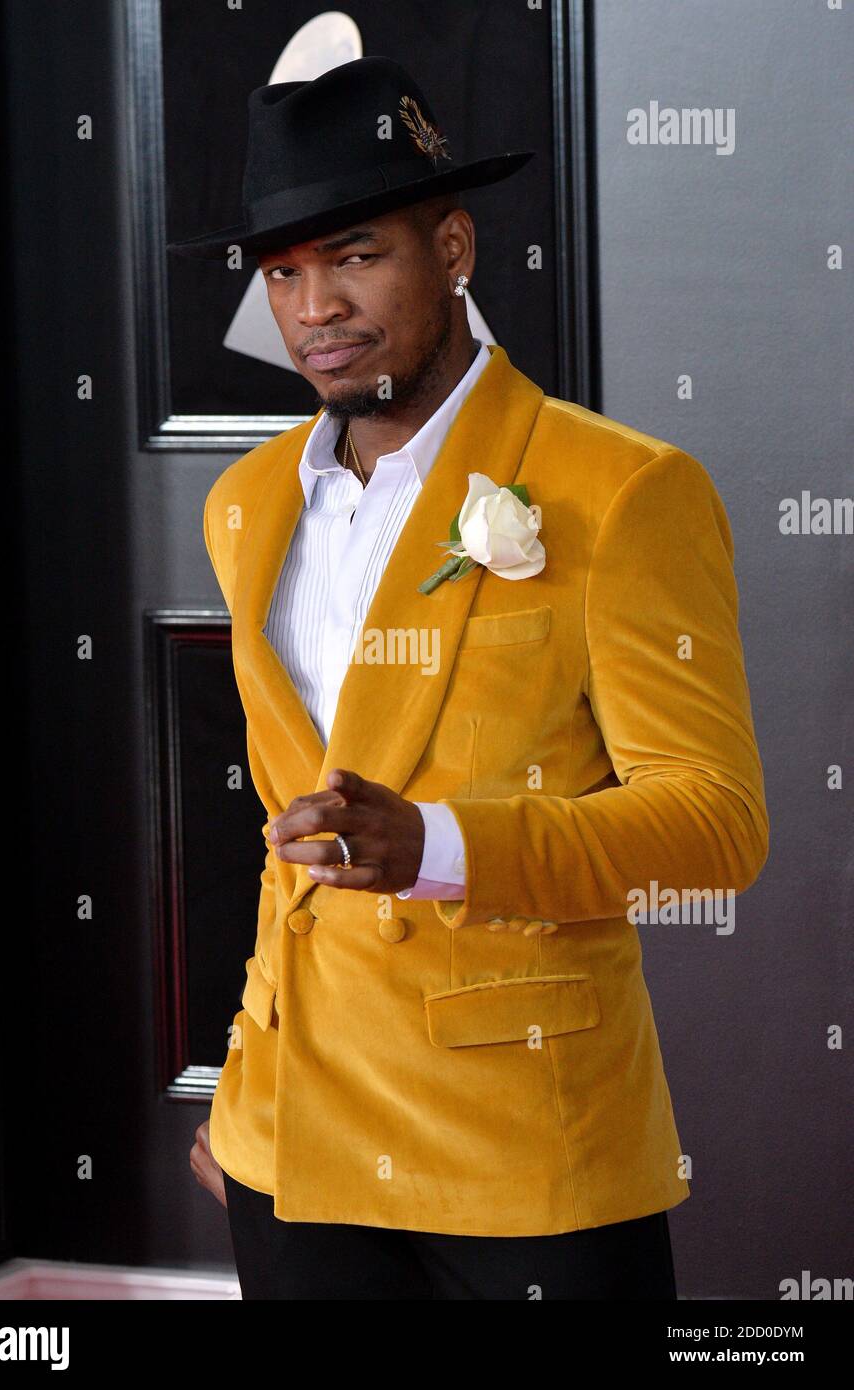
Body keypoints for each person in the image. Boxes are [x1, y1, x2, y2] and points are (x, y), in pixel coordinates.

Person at [172, 56, 768, 1300]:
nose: (314, 306)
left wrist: (440, 843)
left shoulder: (621, 491)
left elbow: (716, 824)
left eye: (353, 254)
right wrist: (248, 1084)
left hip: (525, 1151)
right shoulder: (247, 503)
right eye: (281, 272)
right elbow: (294, 854)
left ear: (453, 246)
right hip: (293, 1141)